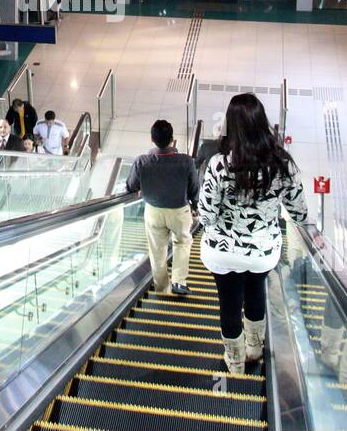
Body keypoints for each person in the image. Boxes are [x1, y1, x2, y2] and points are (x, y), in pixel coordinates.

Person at [198, 93, 306, 374]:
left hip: (222, 252)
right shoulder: (282, 164)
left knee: (228, 302)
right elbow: (299, 213)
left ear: (230, 126)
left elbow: (207, 215)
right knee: (256, 290)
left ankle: (234, 362)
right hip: (262, 253)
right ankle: (254, 349)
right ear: (262, 123)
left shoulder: (219, 164)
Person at [126, 119, 200, 297]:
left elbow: (130, 186)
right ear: (172, 139)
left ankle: (161, 288)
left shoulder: (142, 161)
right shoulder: (186, 161)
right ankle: (179, 282)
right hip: (179, 211)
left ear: (152, 139)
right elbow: (194, 187)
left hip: (153, 210)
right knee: (182, 243)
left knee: (157, 250)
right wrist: (195, 205)